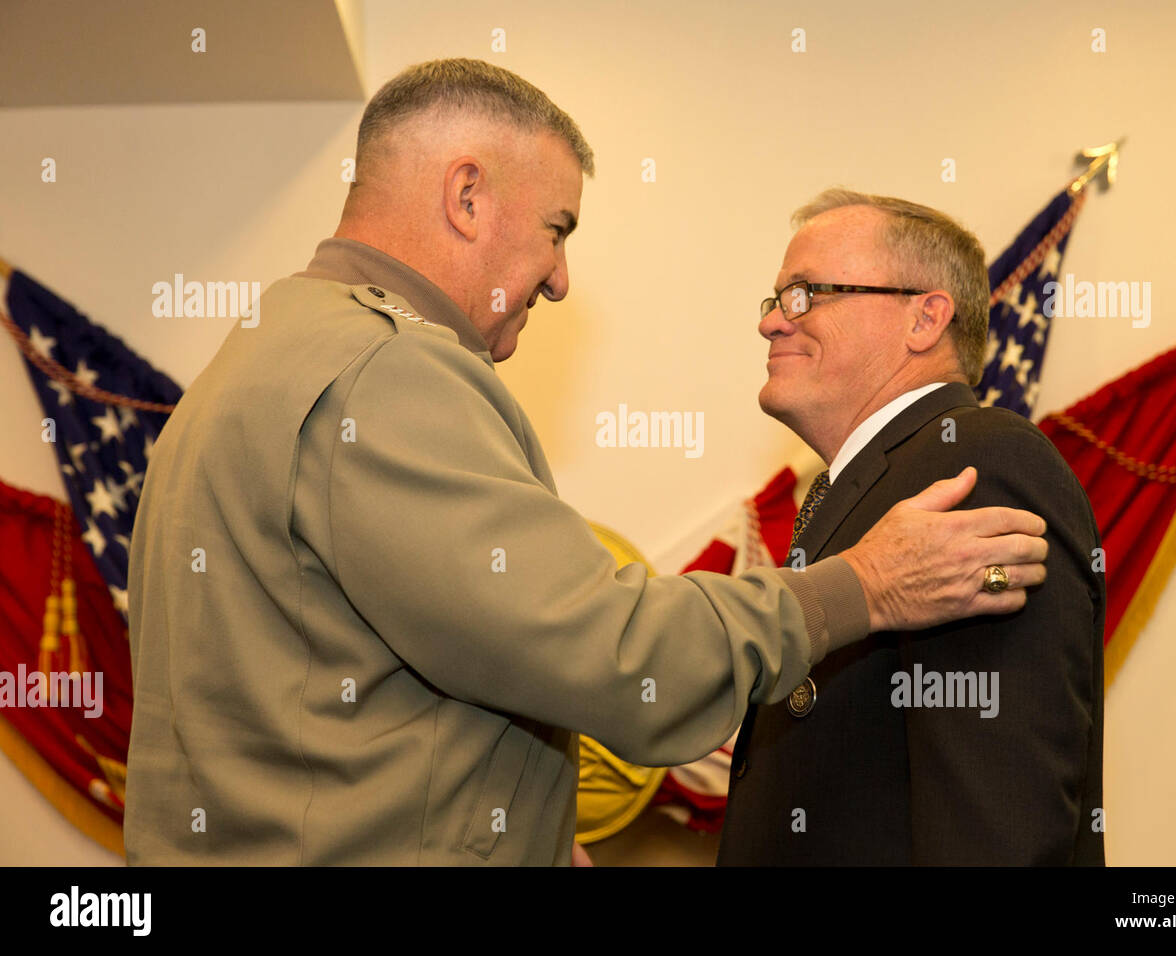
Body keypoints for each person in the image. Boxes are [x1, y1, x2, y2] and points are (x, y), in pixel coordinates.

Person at [124, 61, 1049, 865]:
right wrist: (870, 588)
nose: (561, 277)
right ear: (467, 196)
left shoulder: (255, 359)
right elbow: (613, 652)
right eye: (558, 228)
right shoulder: (388, 368)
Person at [717, 191, 1106, 866]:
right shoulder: (854, 485)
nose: (773, 323)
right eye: (775, 299)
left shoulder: (978, 462)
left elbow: (998, 820)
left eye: (808, 294)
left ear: (925, 318)